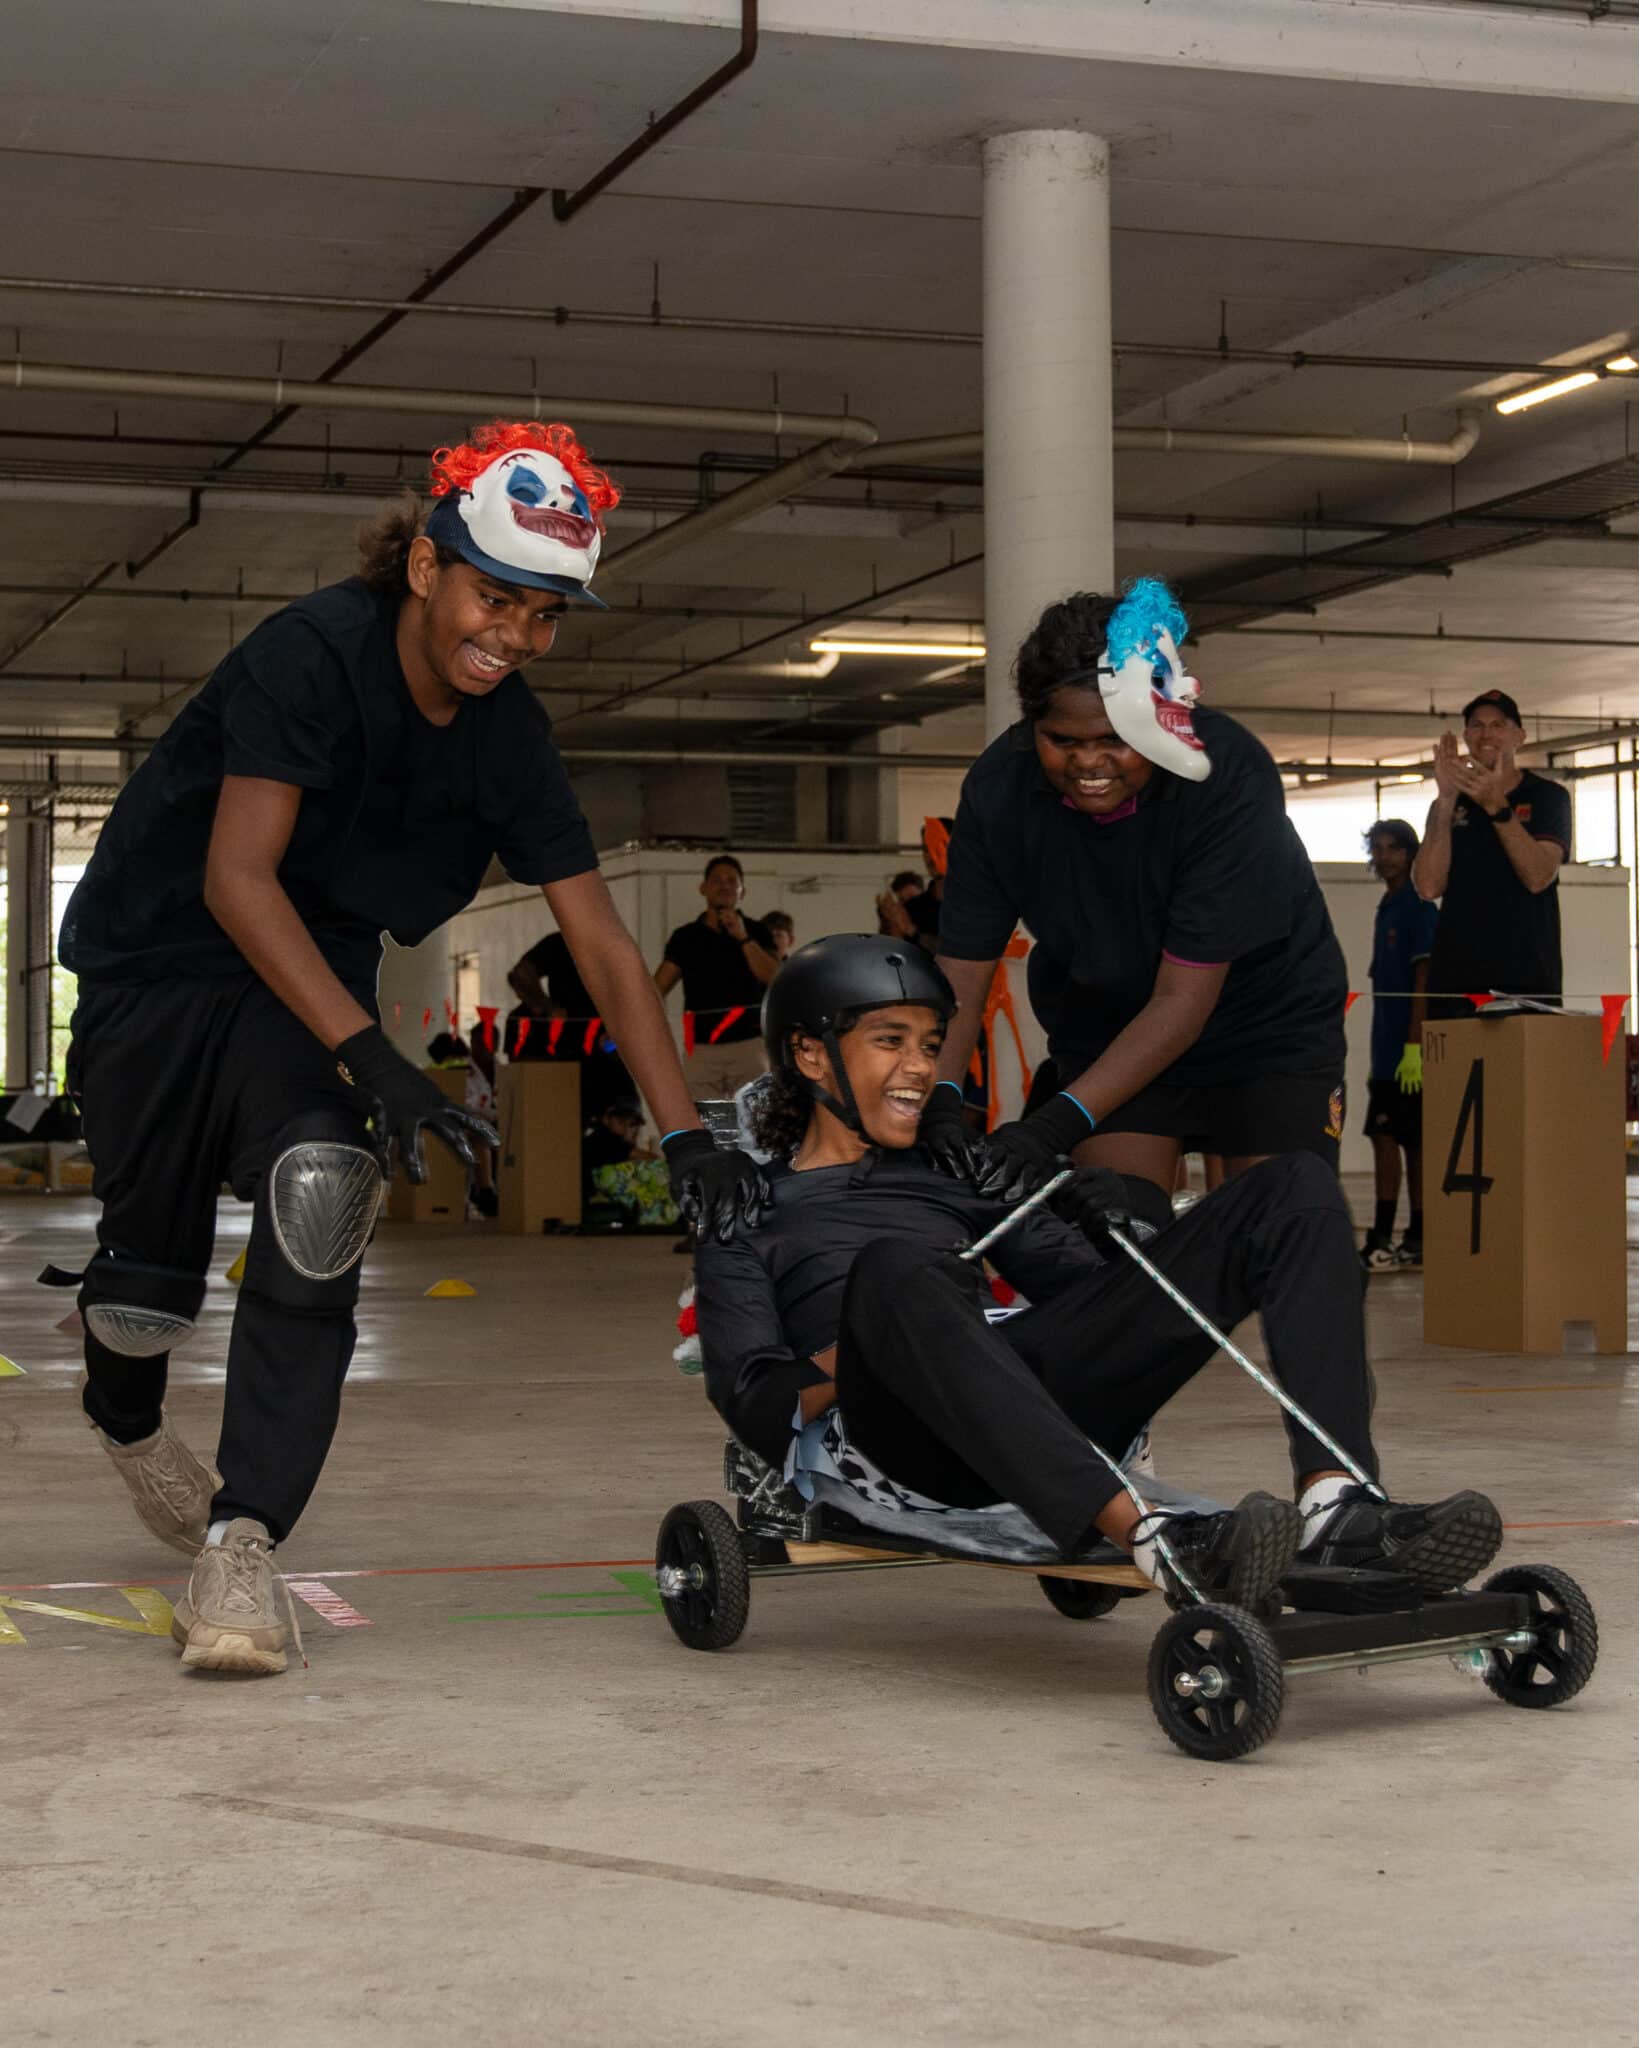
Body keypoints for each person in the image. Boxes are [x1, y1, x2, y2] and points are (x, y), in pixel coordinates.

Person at [58, 416, 766, 1678]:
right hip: (156, 969)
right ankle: (123, 1412)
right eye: (498, 596)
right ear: (428, 567)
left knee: (322, 1183)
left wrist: (683, 1132)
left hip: (304, 976)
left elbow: (602, 942)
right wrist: (380, 1055)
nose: (517, 635)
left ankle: (244, 1537)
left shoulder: (510, 734)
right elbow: (235, 878)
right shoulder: (309, 656)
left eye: (547, 613)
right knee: (139, 1295)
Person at [694, 936, 1502, 1605]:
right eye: (889, 1042)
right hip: (902, 1444)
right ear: (809, 1053)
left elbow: (1093, 1306)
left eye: (929, 1046)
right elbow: (760, 1404)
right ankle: (1151, 1538)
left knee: (1294, 1185)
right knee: (902, 1270)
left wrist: (1098, 1217)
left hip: (1031, 1393)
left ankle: (1337, 1502)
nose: (920, 1070)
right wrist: (887, 1346)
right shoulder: (752, 1210)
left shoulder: (954, 1177)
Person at [924, 579, 1347, 1216]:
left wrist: (1050, 1127)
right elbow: (963, 968)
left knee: (1275, 1230)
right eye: (1063, 741)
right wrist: (941, 1101)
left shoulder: (1225, 774)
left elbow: (1183, 997)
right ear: (1030, 725)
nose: (1090, 762)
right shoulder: (999, 789)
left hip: (1263, 1020)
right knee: (1117, 1235)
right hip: (1110, 1019)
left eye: (1116, 738)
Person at [1414, 689, 1571, 1019]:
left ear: (1520, 736)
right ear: (1466, 736)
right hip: (1455, 985)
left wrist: (1495, 804)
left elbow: (1539, 876)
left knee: (1521, 1072)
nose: (1486, 734)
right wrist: (1444, 800)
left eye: (1498, 725)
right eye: (1476, 725)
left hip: (1524, 985)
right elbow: (1428, 887)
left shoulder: (1546, 796)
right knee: (1455, 1073)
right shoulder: (1448, 805)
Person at [1361, 820, 1438, 1272]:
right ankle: (1402, 1236)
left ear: (1412, 854)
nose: (1386, 857)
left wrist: (1416, 1047)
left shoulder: (1418, 908)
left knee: (1403, 1143)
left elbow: (1424, 982)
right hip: (1385, 1053)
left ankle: (1396, 1238)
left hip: (1409, 1055)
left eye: (1395, 849)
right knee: (1388, 1140)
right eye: (1378, 848)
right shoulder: (1386, 907)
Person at [655, 854, 780, 1099]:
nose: (724, 886)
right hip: (701, 1048)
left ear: (742, 891)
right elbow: (658, 987)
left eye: (732, 881)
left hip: (748, 1045)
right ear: (703, 888)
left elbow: (774, 977)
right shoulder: (686, 937)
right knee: (703, 1123)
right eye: (717, 880)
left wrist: (742, 936)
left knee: (753, 1123)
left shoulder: (757, 931)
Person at [505, 925, 632, 1112]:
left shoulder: (612, 945)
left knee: (616, 1114)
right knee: (573, 1113)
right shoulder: (562, 943)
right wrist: (548, 1007)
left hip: (603, 1049)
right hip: (571, 1050)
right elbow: (522, 972)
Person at [426, 1027, 499, 1218]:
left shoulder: (474, 1069)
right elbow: (464, 1103)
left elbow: (473, 1101)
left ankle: (484, 1190)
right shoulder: (461, 1070)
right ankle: (484, 1190)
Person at [580, 1093, 680, 1231]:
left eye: (633, 1125)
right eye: (623, 1122)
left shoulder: (608, 1139)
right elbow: (646, 1157)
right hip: (599, 1181)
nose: (629, 1128)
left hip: (602, 1186)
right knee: (659, 1170)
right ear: (607, 1118)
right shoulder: (604, 1137)